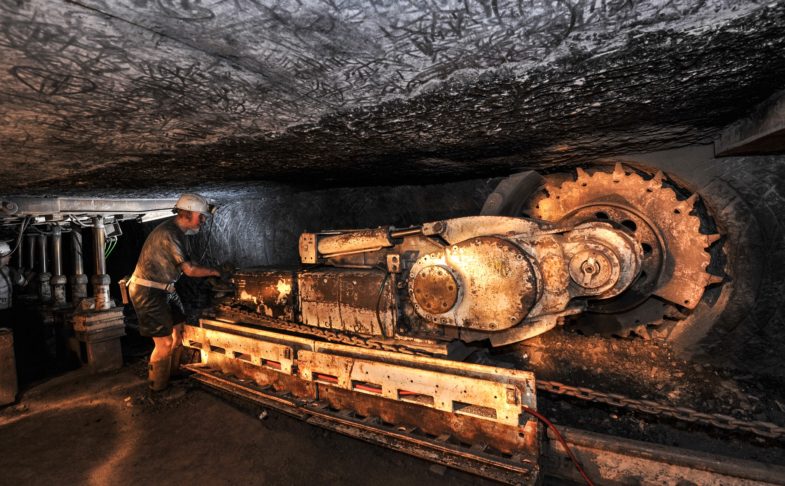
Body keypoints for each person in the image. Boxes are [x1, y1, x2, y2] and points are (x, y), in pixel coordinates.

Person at [128, 193, 221, 394]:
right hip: (148, 291)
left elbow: (189, 264)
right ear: (187, 214)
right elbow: (189, 270)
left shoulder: (180, 233)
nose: (204, 220)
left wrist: (209, 271)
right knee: (164, 343)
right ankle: (158, 387)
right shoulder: (170, 234)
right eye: (200, 216)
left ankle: (172, 373)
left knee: (178, 332)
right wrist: (215, 272)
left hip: (165, 289)